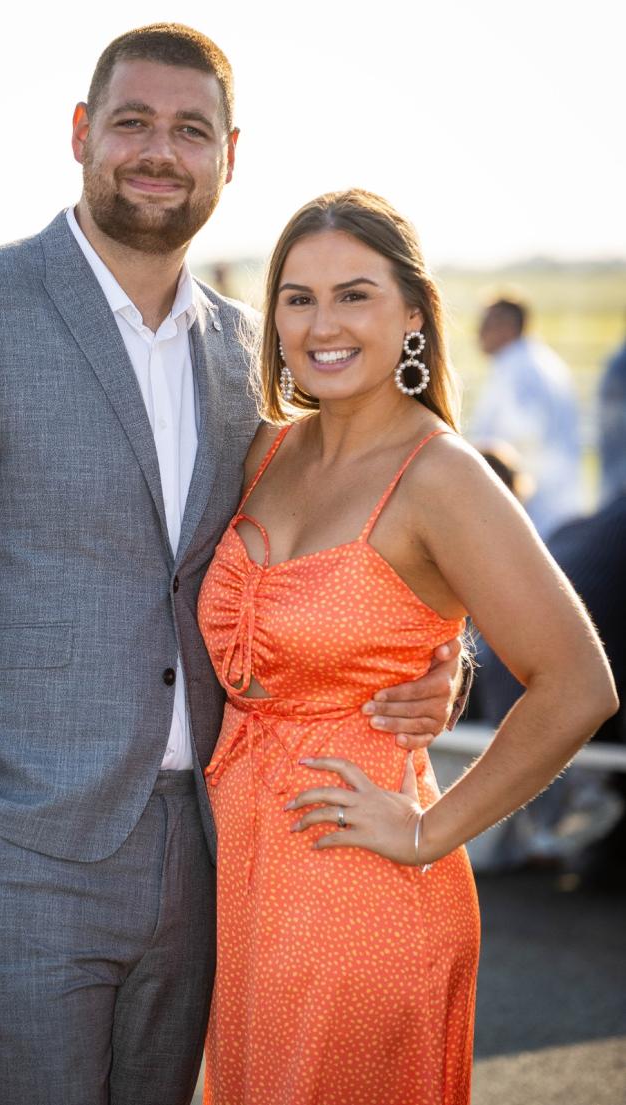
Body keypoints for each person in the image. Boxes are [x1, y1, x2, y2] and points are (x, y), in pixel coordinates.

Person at [0, 27, 463, 1105]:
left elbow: (335, 530)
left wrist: (431, 655)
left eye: (191, 130)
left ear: (231, 157)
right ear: (83, 134)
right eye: (132, 121)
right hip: (13, 847)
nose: (158, 151)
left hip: (208, 854)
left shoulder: (244, 351)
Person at [196, 189, 617, 1105]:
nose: (322, 324)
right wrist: (443, 654)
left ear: (414, 314)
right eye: (298, 298)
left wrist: (431, 830)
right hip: (241, 870)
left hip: (358, 880)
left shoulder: (442, 475)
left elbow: (576, 683)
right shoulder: (264, 452)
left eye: (355, 294)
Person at [470, 296, 582, 538]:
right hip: (554, 505)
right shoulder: (538, 362)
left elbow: (519, 440)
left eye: (485, 324)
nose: (478, 333)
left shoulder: (520, 373)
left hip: (533, 510)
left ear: (507, 327)